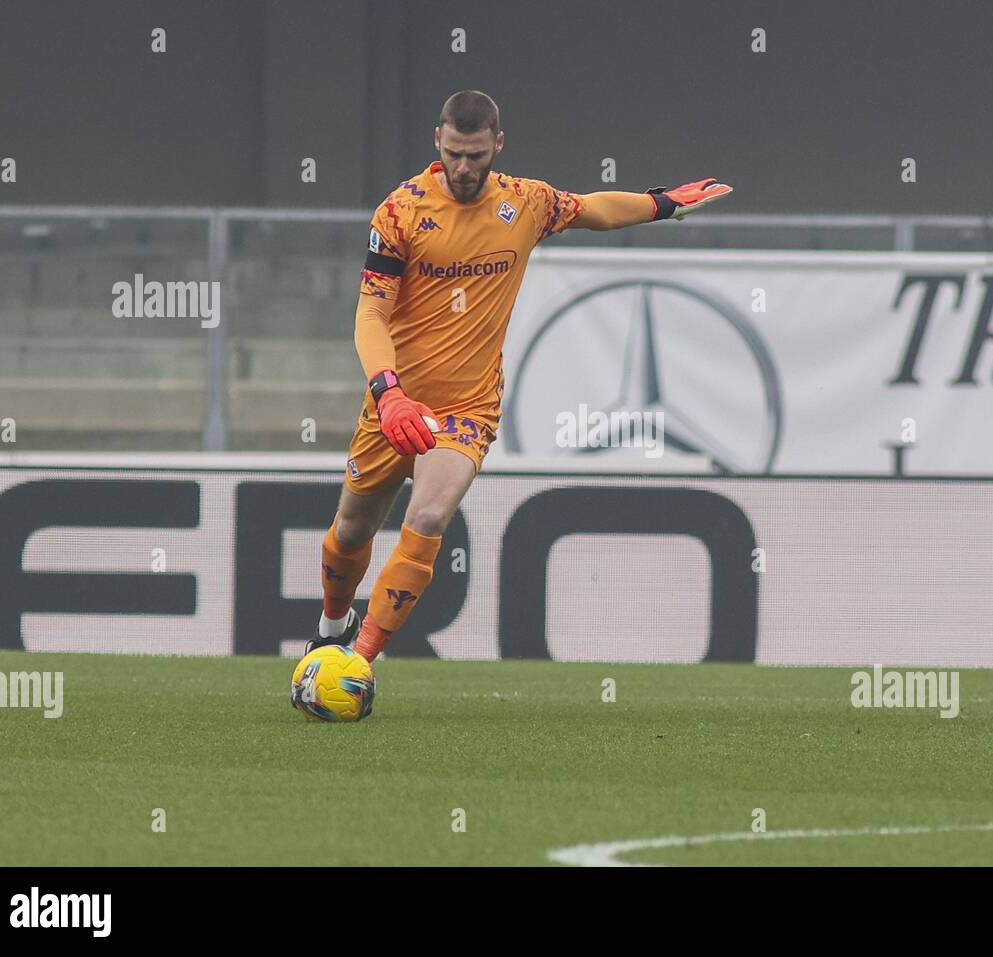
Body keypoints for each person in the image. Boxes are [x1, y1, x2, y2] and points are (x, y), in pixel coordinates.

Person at [308, 89, 732, 662]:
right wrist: (388, 393)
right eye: (455, 153)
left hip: (468, 409)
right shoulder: (400, 211)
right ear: (437, 140)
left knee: (429, 514)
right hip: (396, 402)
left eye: (476, 155)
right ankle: (331, 628)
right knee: (352, 530)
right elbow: (370, 312)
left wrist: (662, 204)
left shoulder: (524, 205)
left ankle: (356, 662)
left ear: (497, 147)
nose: (464, 167)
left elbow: (593, 209)